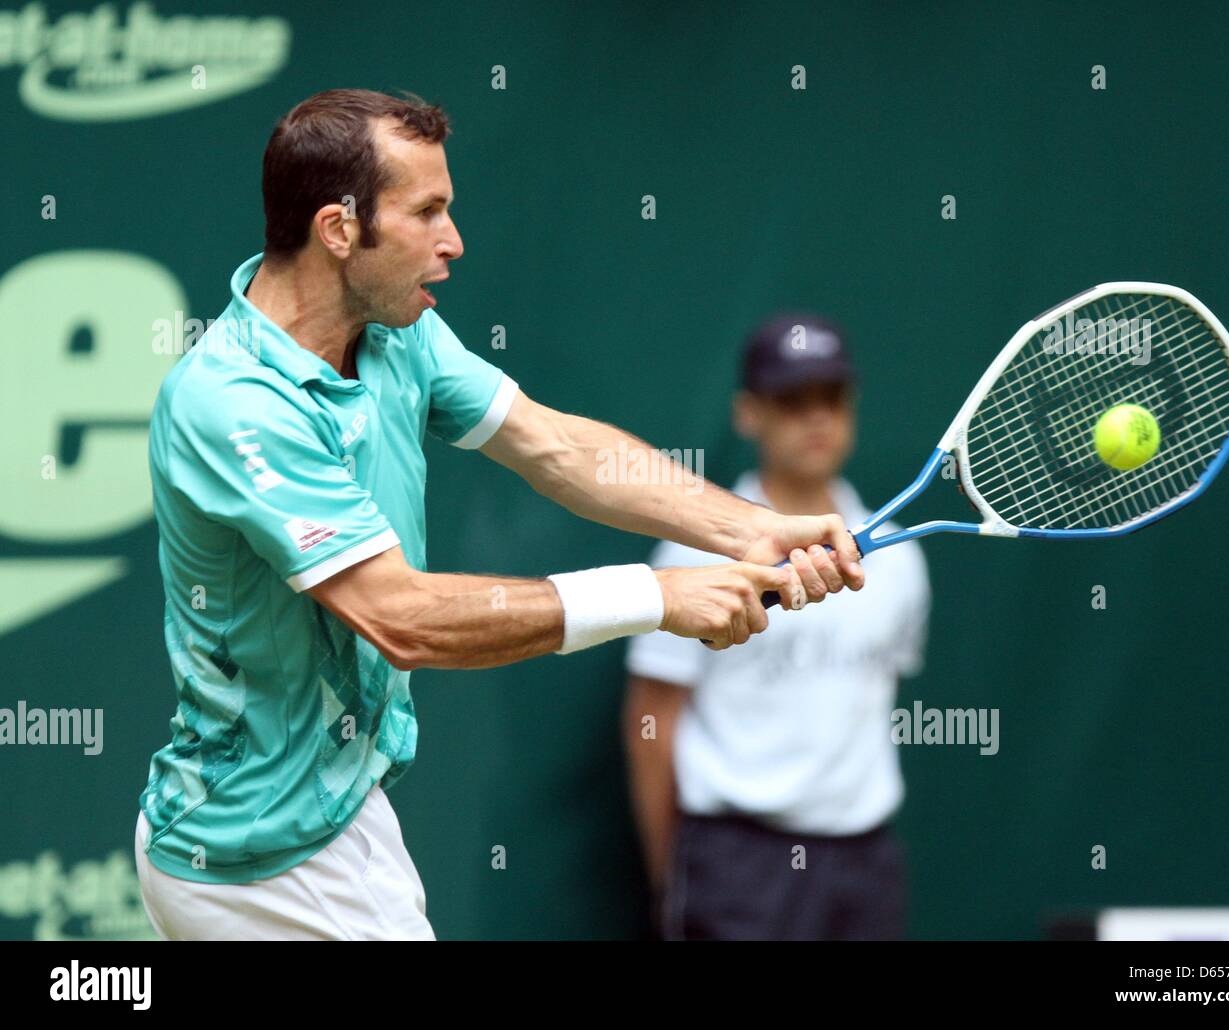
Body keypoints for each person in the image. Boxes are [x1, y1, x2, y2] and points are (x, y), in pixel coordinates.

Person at [132, 89, 866, 941]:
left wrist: (747, 528)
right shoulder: (235, 403)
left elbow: (552, 445)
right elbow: (401, 618)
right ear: (339, 231)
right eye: (428, 212)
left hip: (327, 816)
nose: (454, 241)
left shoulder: (394, 329)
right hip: (255, 859)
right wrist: (658, 597)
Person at [624, 314, 931, 941]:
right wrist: (671, 876)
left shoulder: (901, 558)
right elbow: (651, 723)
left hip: (863, 866)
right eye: (793, 400)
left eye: (832, 397)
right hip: (735, 865)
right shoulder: (690, 554)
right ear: (748, 413)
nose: (817, 417)